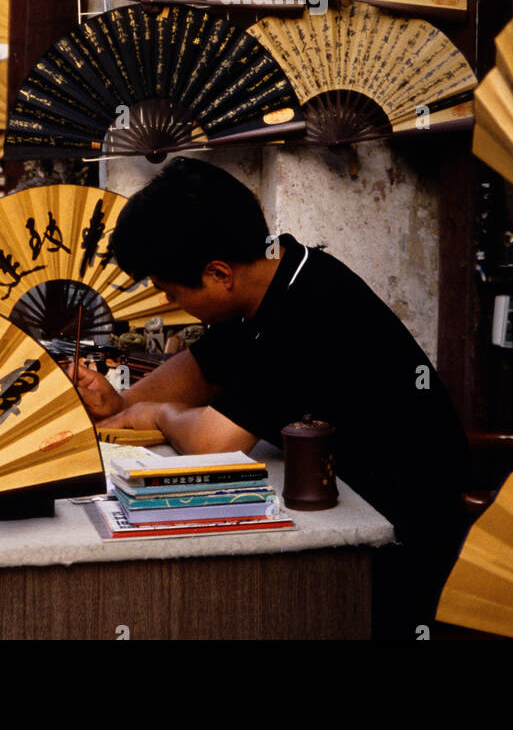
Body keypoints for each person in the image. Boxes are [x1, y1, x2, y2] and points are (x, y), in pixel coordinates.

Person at [74, 157, 469, 635]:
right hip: (338, 507)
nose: (168, 305)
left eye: (171, 293)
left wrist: (155, 412)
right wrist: (121, 405)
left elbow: (211, 443)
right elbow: (200, 369)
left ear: (219, 273)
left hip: (403, 535)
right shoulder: (271, 276)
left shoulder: (308, 309)